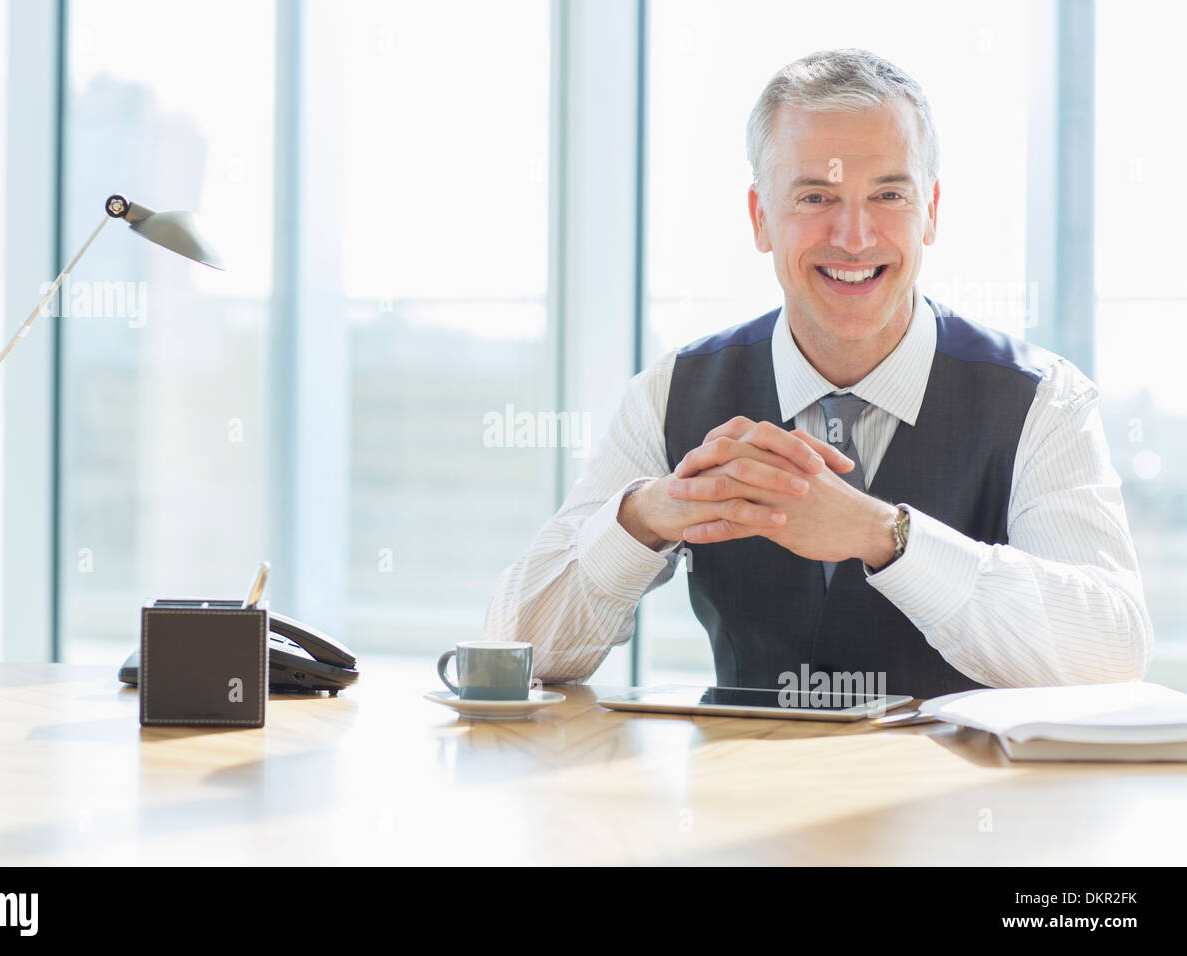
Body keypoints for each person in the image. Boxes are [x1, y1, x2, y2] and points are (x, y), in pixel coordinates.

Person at [483, 48, 1152, 699]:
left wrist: (886, 537)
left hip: (957, 779)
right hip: (744, 775)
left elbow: (1112, 653)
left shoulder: (1042, 401)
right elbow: (516, 649)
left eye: (888, 194)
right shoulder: (670, 395)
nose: (854, 237)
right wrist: (642, 518)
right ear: (760, 219)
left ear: (931, 212)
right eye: (814, 196)